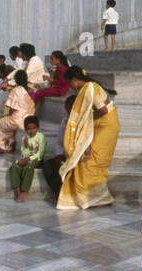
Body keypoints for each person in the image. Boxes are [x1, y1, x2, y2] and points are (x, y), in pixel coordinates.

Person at [51, 66, 119, 210]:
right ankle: (94, 197)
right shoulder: (88, 87)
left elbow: (103, 110)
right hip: (100, 124)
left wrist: (85, 120)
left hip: (106, 126)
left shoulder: (90, 88)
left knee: (91, 162)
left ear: (75, 80)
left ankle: (95, 198)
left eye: (70, 83)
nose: (70, 86)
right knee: (85, 160)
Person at [0, 71, 34, 153]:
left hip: (18, 120)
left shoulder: (16, 90)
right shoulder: (29, 90)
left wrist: (4, 117)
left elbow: (10, 109)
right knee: (8, 122)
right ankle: (10, 143)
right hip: (28, 119)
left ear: (16, 80)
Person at [10, 116, 46, 202]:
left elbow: (40, 153)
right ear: (26, 129)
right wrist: (26, 146)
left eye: (34, 128)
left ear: (38, 127)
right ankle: (17, 189)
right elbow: (24, 154)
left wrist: (28, 159)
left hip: (38, 159)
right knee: (15, 166)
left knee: (28, 167)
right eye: (29, 129)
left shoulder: (41, 137)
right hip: (27, 159)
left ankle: (24, 191)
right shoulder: (25, 138)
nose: (32, 131)